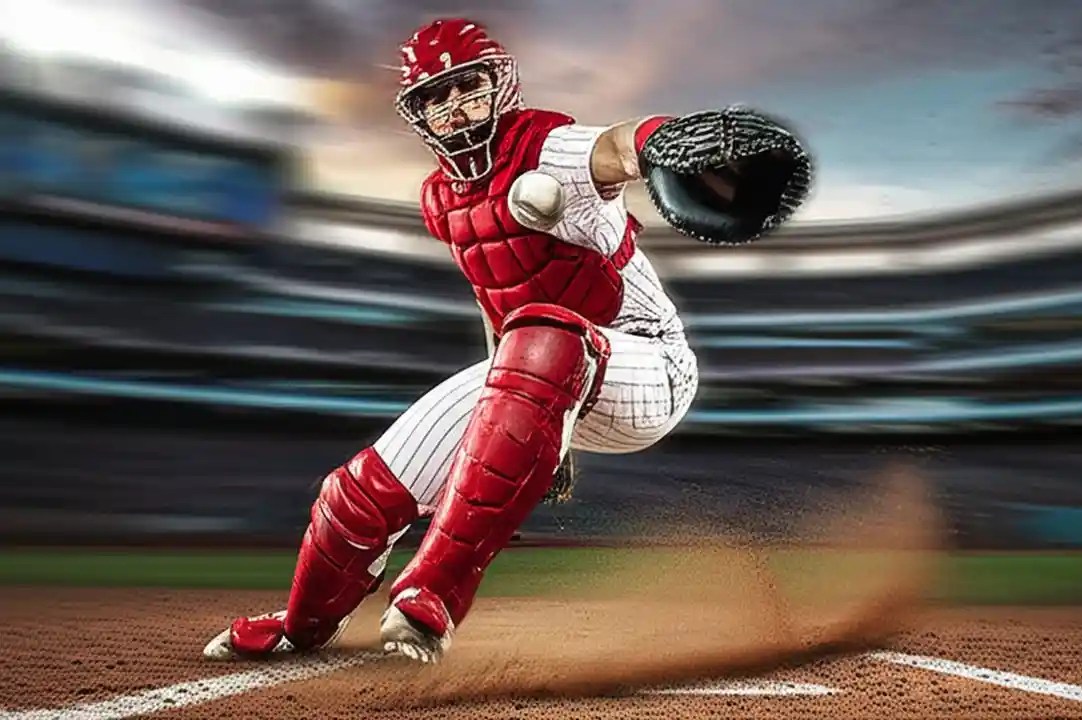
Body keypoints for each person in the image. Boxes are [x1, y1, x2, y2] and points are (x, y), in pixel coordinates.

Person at [204, 16, 808, 664]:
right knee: (356, 496)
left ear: (500, 84)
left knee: (544, 333)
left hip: (648, 364)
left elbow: (615, 147)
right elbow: (494, 302)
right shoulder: (441, 200)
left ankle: (430, 592)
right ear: (418, 115)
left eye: (467, 86)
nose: (453, 107)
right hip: (543, 366)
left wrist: (666, 138)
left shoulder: (545, 147)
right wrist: (542, 420)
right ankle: (300, 624)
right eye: (434, 97)